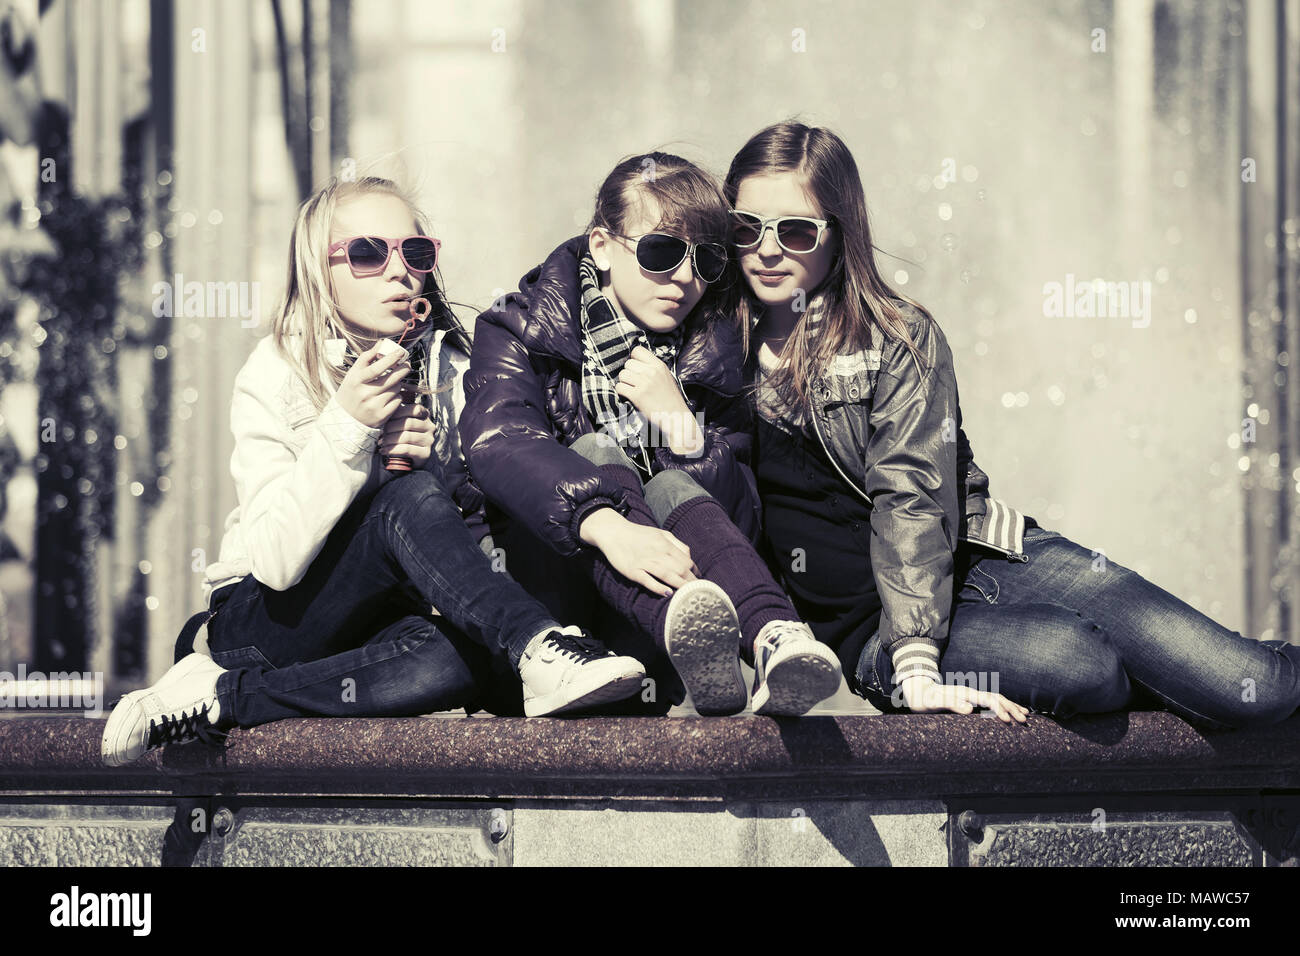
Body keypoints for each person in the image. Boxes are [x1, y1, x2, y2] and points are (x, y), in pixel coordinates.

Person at [725, 119, 1300, 730]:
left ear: (840, 234)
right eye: (746, 228)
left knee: (1256, 686)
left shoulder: (898, 339)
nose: (767, 249)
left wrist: (918, 661)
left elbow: (911, 494)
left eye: (795, 230)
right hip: (874, 637)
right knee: (1079, 661)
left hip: (989, 562)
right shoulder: (712, 356)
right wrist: (907, 662)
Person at [101, 176, 647, 767]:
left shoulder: (455, 367)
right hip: (265, 621)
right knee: (407, 497)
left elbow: (466, 533)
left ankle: (216, 696)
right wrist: (350, 431)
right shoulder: (280, 368)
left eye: (414, 252)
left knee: (456, 662)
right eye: (366, 253)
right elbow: (276, 561)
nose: (398, 271)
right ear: (318, 270)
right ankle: (540, 645)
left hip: (374, 626)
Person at [459, 152, 841, 716]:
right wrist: (607, 525)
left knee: (669, 485)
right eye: (661, 253)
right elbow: (500, 441)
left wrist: (682, 427)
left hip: (659, 628)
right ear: (602, 246)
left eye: (707, 261)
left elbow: (743, 524)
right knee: (593, 451)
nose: (685, 279)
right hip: (552, 612)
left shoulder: (716, 345)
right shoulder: (519, 327)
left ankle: (775, 638)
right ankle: (693, 628)